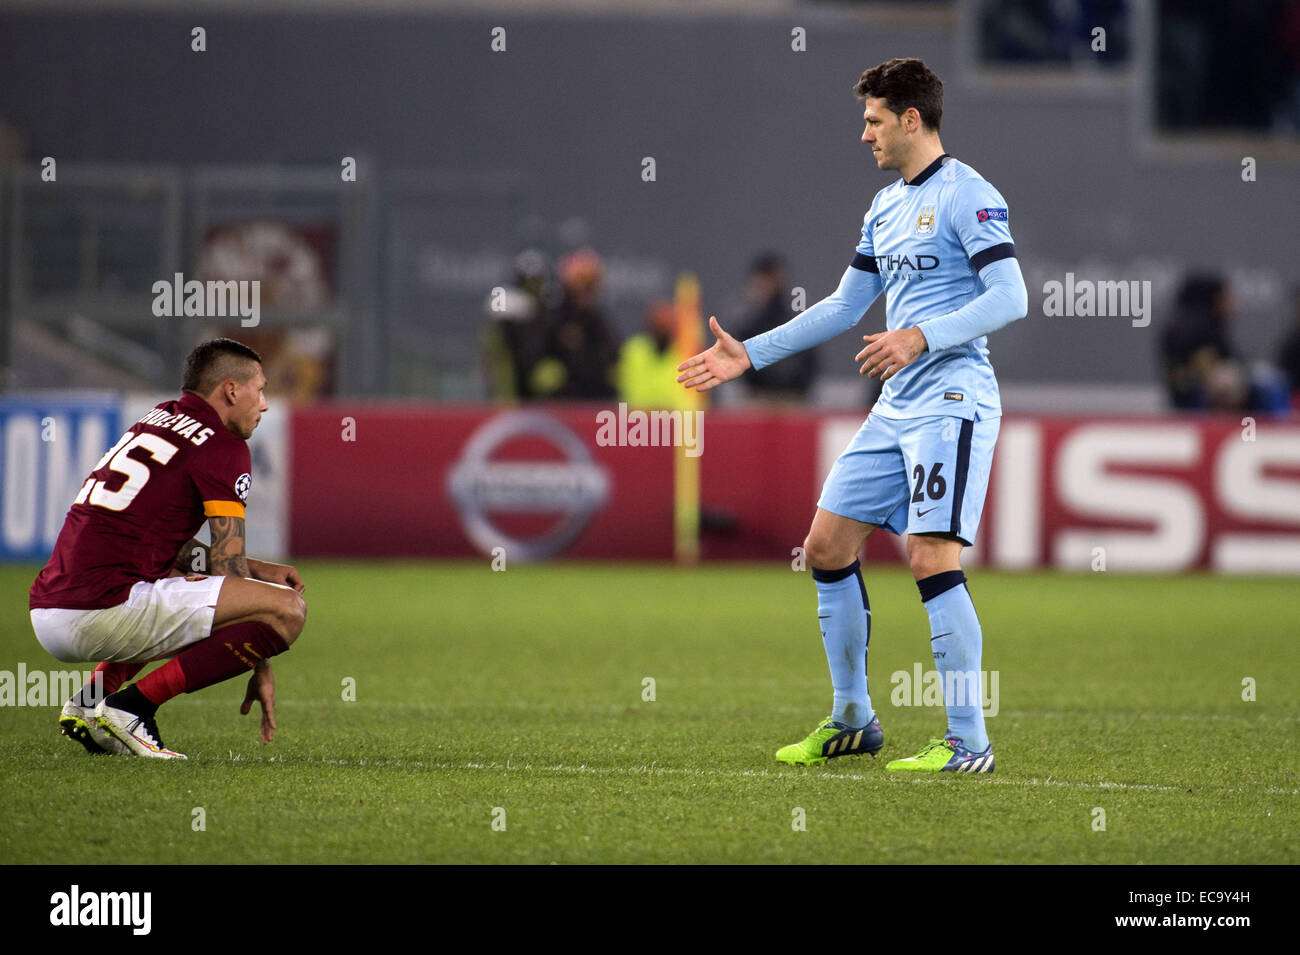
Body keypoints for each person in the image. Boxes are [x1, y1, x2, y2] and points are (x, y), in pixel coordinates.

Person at [678, 58, 1027, 773]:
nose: (862, 132)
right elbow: (843, 306)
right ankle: (854, 718)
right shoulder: (884, 205)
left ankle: (969, 742)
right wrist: (752, 354)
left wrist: (920, 335)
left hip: (951, 397)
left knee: (930, 554)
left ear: (909, 118)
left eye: (872, 119)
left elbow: (1012, 296)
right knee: (826, 546)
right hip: (897, 405)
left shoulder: (970, 194)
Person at [29, 339, 307, 759]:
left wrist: (257, 569)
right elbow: (227, 572)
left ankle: (89, 704)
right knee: (288, 610)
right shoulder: (224, 445)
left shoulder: (158, 417)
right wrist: (260, 653)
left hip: (50, 609)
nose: (265, 404)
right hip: (101, 609)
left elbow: (165, 546)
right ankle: (132, 709)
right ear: (231, 391)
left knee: (174, 584)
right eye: (260, 389)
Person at [731, 253, 817, 401]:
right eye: (764, 277)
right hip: (758, 397)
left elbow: (809, 359)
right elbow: (740, 356)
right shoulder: (747, 317)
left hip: (793, 397)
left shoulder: (796, 314)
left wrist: (797, 385)